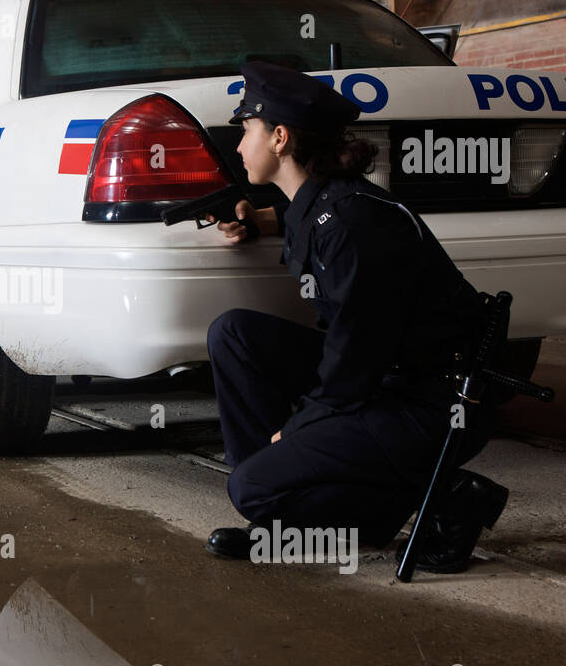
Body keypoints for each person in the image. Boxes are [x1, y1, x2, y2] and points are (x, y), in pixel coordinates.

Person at [204, 61, 507, 573]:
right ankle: (293, 514)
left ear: (279, 138)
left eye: (246, 131)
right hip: (389, 379)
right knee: (235, 334)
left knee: (248, 486)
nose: (238, 146)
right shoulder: (325, 200)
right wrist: (256, 219)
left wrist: (300, 426)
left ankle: (451, 497)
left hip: (430, 400)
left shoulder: (351, 224)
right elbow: (308, 220)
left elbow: (356, 355)